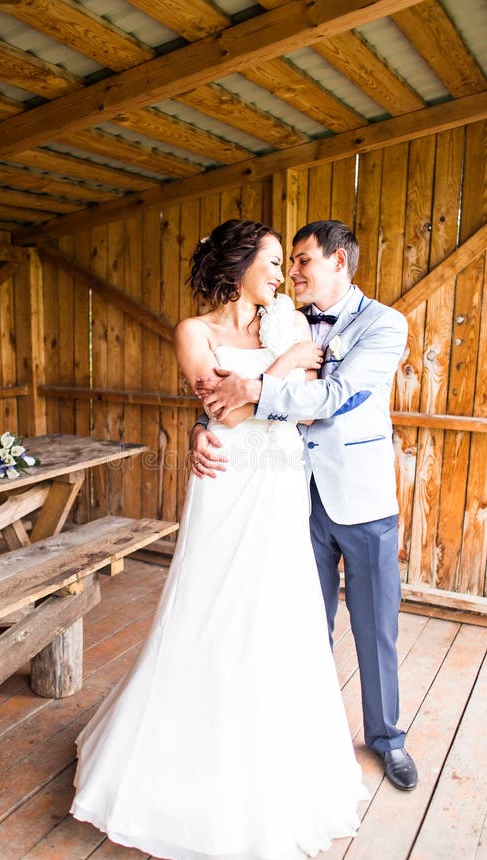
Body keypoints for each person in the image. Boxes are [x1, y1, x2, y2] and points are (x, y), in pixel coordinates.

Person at [71, 219, 368, 860]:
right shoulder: (195, 332)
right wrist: (273, 377)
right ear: (236, 266)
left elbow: (308, 402)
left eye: (285, 264)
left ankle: (271, 763)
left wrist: (277, 371)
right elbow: (224, 413)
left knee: (275, 612)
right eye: (269, 261)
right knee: (208, 610)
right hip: (226, 480)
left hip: (279, 482)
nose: (280, 274)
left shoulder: (284, 325)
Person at [193, 219, 418, 793]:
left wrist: (258, 390)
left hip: (361, 495)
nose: (292, 273)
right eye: (286, 263)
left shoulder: (384, 324)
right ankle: (297, 733)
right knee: (300, 622)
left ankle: (387, 739)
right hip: (290, 493)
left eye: (302, 261)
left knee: (375, 626)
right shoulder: (284, 320)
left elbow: (336, 398)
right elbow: (226, 372)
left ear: (339, 261)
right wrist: (203, 423)